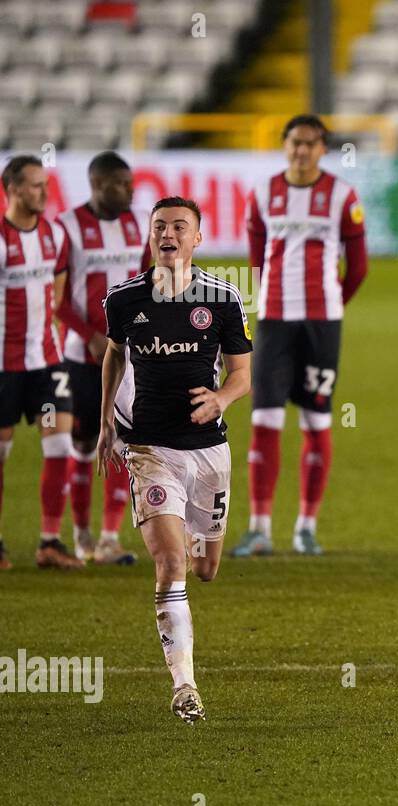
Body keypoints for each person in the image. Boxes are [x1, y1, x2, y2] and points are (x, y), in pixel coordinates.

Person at [98, 197, 253, 722]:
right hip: (149, 449)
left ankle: (192, 535)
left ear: (198, 238)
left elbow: (242, 375)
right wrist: (104, 426)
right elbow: (114, 354)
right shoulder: (124, 299)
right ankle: (184, 686)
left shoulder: (224, 298)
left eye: (179, 227)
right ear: (150, 235)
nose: (168, 234)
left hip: (209, 451)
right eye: (159, 226)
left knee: (206, 568)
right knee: (171, 563)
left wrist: (221, 399)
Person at [232, 114, 368, 558]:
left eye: (311, 144)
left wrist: (331, 304)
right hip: (272, 321)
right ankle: (259, 528)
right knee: (264, 419)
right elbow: (256, 261)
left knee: (316, 418)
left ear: (323, 148)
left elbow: (359, 266)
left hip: (321, 325)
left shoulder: (342, 196)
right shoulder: (263, 193)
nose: (302, 151)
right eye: (295, 143)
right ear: (284, 145)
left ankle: (306, 527)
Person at [55, 150, 148, 565]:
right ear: (97, 184)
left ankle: (110, 537)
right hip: (80, 355)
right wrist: (89, 335)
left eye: (131, 183)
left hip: (129, 355)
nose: (130, 190)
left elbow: (150, 281)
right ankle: (80, 535)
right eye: (121, 184)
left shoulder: (138, 223)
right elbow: (54, 299)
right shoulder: (68, 229)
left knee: (123, 440)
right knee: (82, 442)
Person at [0, 154, 79, 570]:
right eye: (34, 185)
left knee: (59, 443)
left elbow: (58, 296)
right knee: (2, 452)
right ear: (12, 189)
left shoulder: (53, 235)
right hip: (3, 368)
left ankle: (50, 541)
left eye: (45, 184)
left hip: (46, 365)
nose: (44, 192)